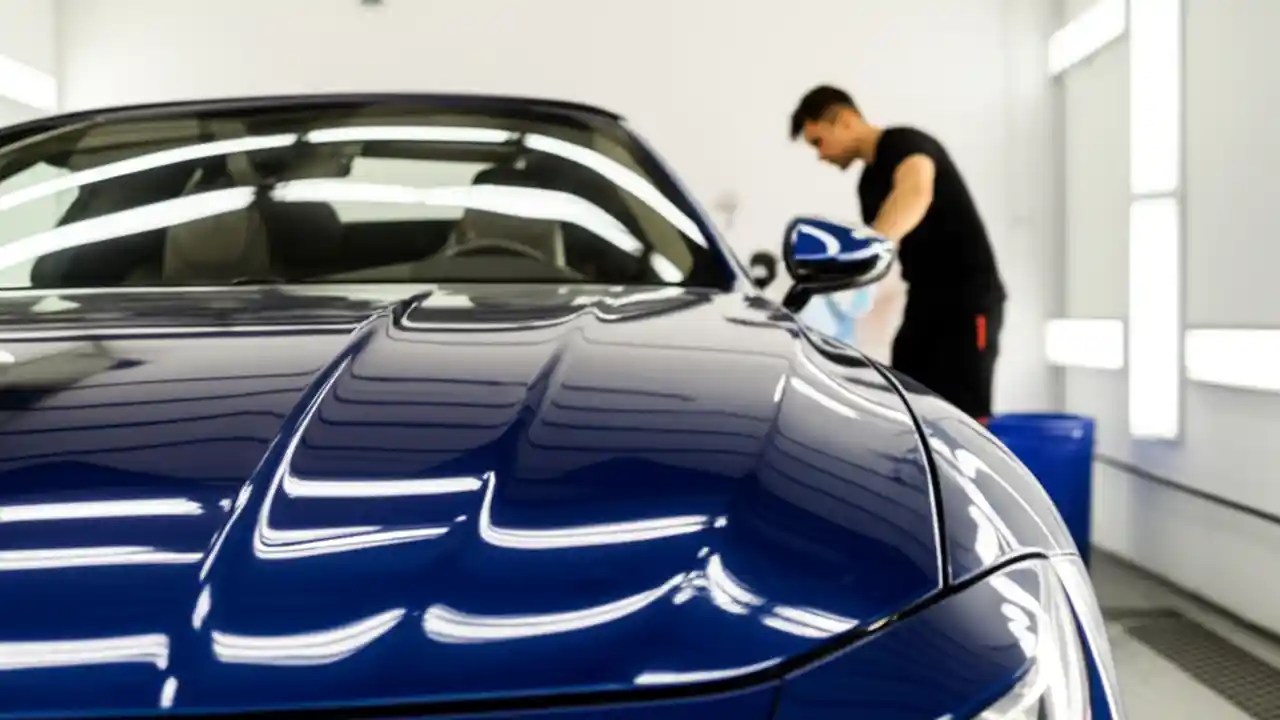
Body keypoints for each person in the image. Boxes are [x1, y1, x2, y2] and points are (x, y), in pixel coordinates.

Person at [789, 85, 1007, 422]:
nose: (821, 155)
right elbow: (883, 257)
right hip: (924, 298)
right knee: (907, 400)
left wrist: (873, 244)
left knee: (965, 417)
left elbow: (916, 191)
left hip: (968, 299)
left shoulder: (903, 143)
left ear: (845, 121)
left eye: (819, 142)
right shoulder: (868, 185)